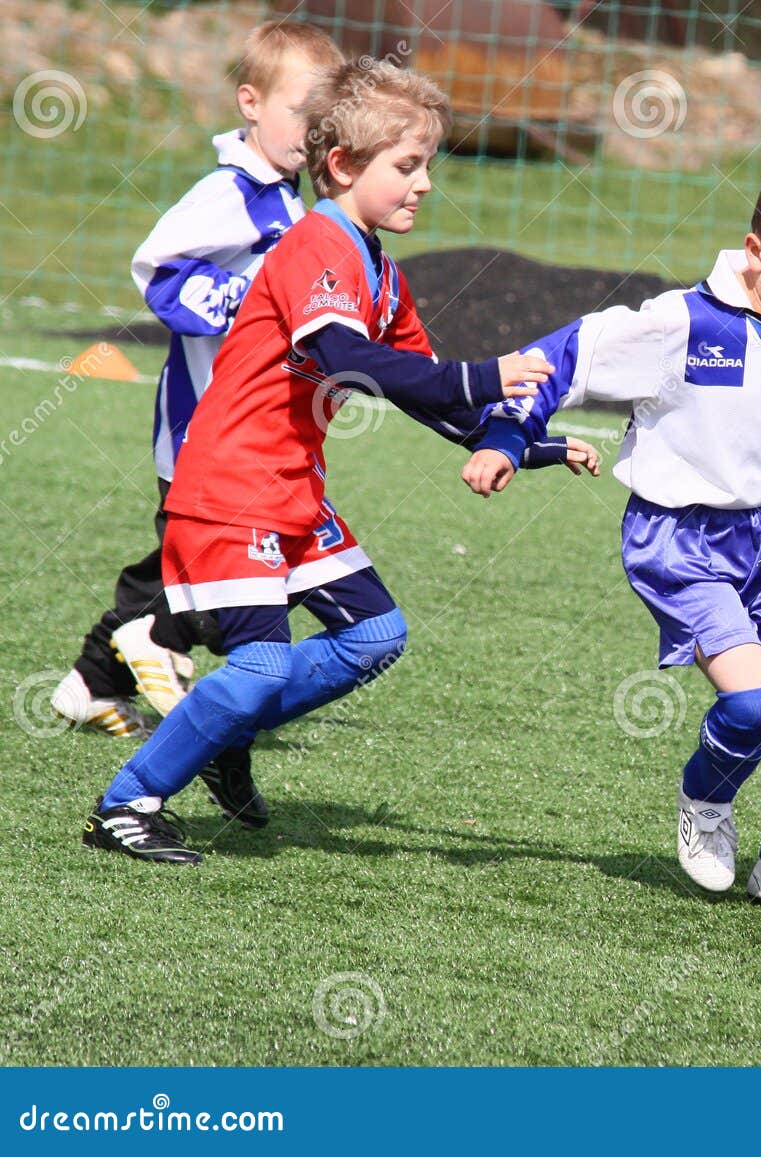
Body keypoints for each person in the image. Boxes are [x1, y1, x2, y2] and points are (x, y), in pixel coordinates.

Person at [80, 60, 597, 865]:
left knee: (374, 634)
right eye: (407, 165)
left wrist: (522, 443)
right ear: (344, 166)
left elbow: (425, 388)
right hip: (227, 484)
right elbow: (343, 356)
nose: (424, 183)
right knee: (257, 664)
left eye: (428, 164)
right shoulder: (313, 246)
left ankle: (222, 733)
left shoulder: (381, 271)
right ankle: (125, 802)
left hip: (290, 488)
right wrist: (484, 374)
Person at [471, 156, 761, 906]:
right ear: (755, 254)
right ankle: (706, 801)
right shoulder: (680, 324)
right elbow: (563, 357)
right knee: (755, 705)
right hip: (680, 543)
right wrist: (506, 434)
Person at [50, 21, 345, 738]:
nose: (311, 131)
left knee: (170, 565)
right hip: (209, 429)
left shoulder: (284, 196)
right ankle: (163, 639)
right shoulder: (232, 193)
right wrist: (250, 306)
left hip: (250, 430)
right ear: (250, 101)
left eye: (323, 118)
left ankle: (90, 682)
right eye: (298, 110)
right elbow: (160, 268)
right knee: (234, 566)